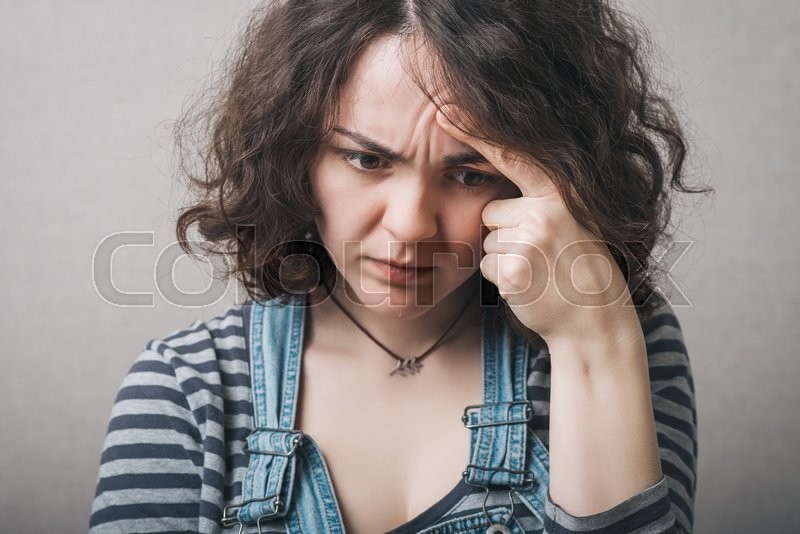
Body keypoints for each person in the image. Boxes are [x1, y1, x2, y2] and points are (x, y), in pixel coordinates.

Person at [90, 0, 705, 532]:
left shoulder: (621, 343)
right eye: (367, 161)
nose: (411, 224)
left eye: (470, 175)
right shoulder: (187, 392)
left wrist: (594, 342)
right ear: (293, 158)